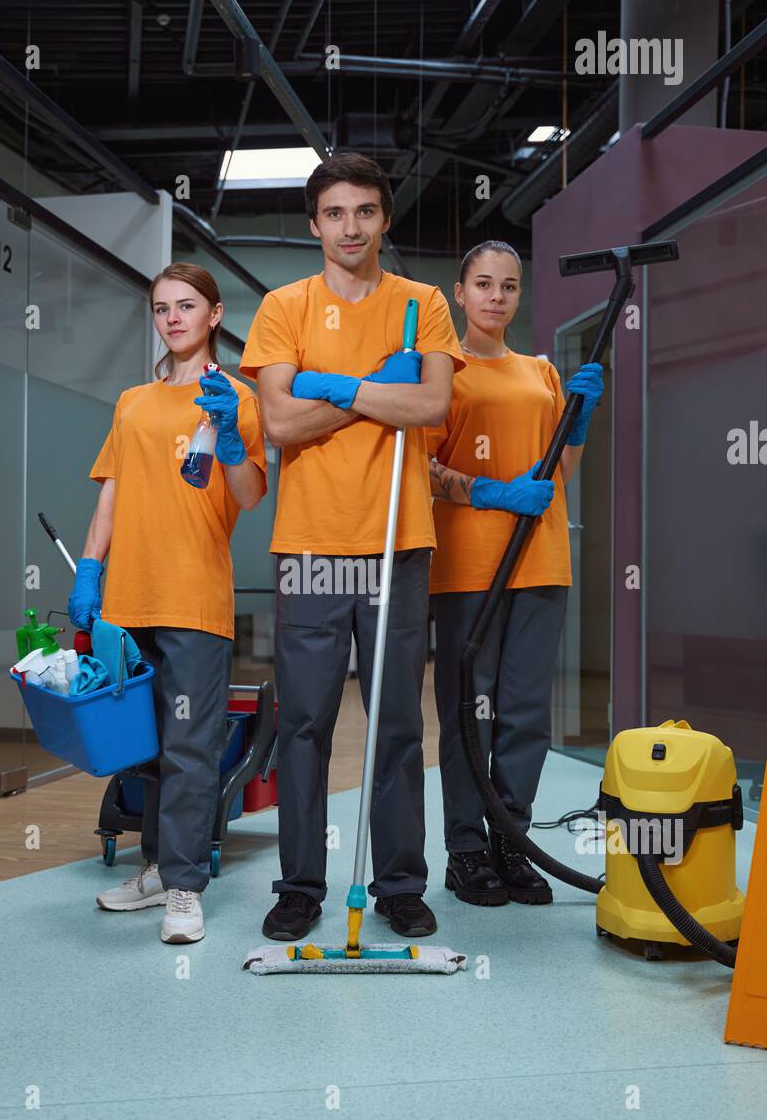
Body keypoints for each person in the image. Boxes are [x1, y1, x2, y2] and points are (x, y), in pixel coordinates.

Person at [239, 151, 464, 942]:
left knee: (398, 718)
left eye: (364, 211)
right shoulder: (284, 307)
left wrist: (330, 388)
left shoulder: (424, 303)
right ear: (313, 224)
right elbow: (279, 424)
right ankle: (300, 883)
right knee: (305, 720)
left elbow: (433, 401)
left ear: (385, 219)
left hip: (399, 542)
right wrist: (371, 388)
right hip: (309, 546)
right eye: (334, 213)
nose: (350, 227)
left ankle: (400, 883)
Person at [69, 263, 267, 943]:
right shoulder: (132, 402)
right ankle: (154, 869)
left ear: (214, 315)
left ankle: (185, 887)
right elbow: (113, 491)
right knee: (143, 749)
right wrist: (90, 568)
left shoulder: (236, 396)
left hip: (193, 598)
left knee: (189, 747)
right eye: (161, 308)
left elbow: (246, 496)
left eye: (187, 306)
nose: (173, 318)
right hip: (128, 599)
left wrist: (233, 437)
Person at [427, 240, 603, 907]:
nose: (497, 296)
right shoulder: (444, 372)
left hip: (541, 559)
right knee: (470, 712)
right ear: (460, 292)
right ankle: (465, 850)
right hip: (470, 567)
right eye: (483, 284)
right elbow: (423, 471)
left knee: (525, 714)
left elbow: (564, 471)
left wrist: (579, 421)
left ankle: (512, 841)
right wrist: (490, 492)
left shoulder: (540, 372)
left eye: (508, 285)